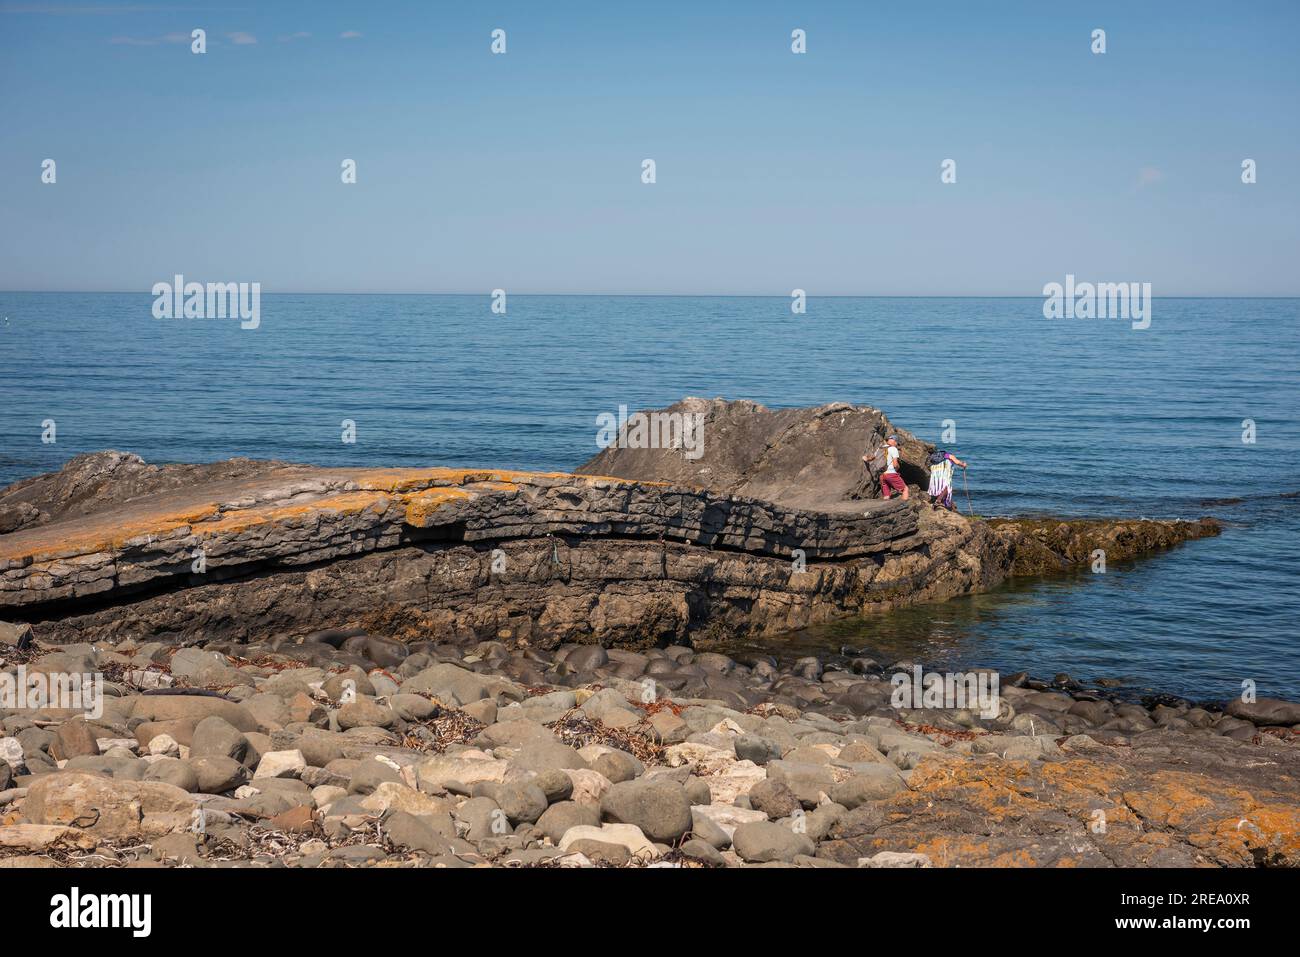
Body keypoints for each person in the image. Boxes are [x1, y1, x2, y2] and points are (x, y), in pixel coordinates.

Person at [877, 434, 908, 500]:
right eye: (897, 443)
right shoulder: (893, 449)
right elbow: (895, 464)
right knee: (905, 489)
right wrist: (897, 469)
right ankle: (904, 505)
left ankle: (885, 507)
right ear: (895, 442)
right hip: (890, 473)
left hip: (882, 475)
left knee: (886, 495)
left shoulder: (882, 448)